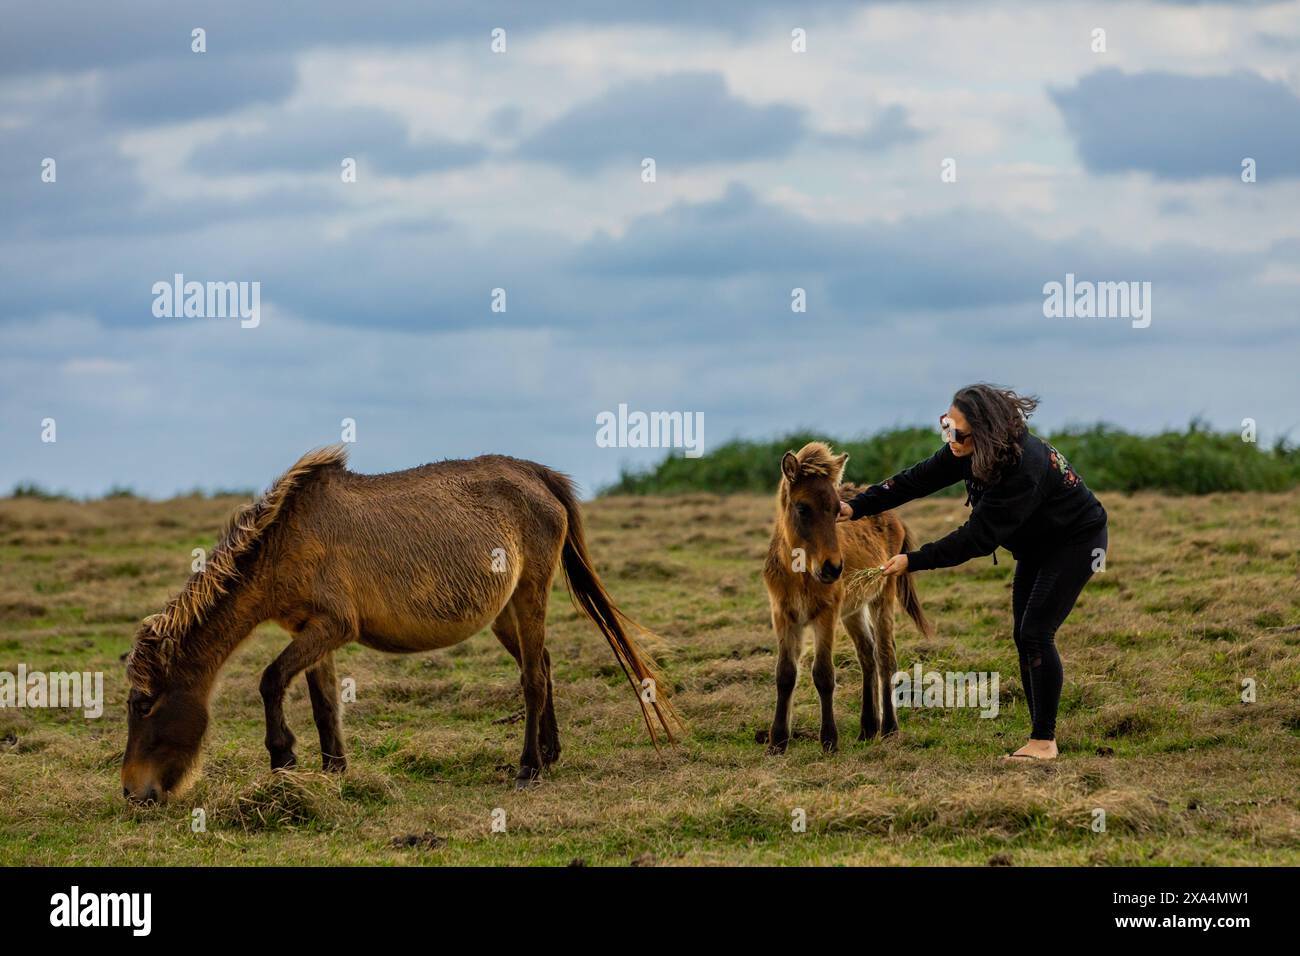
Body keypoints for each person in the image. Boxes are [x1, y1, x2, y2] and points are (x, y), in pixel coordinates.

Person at [837, 384, 1107, 760]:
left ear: (986, 431)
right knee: (1023, 634)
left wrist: (912, 560)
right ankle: (1040, 733)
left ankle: (1043, 742)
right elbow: (915, 480)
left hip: (1076, 542)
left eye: (958, 432)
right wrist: (856, 507)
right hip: (1034, 545)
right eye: (946, 425)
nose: (950, 438)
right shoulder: (967, 448)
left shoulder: (1021, 468)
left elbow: (975, 539)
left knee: (1036, 632)